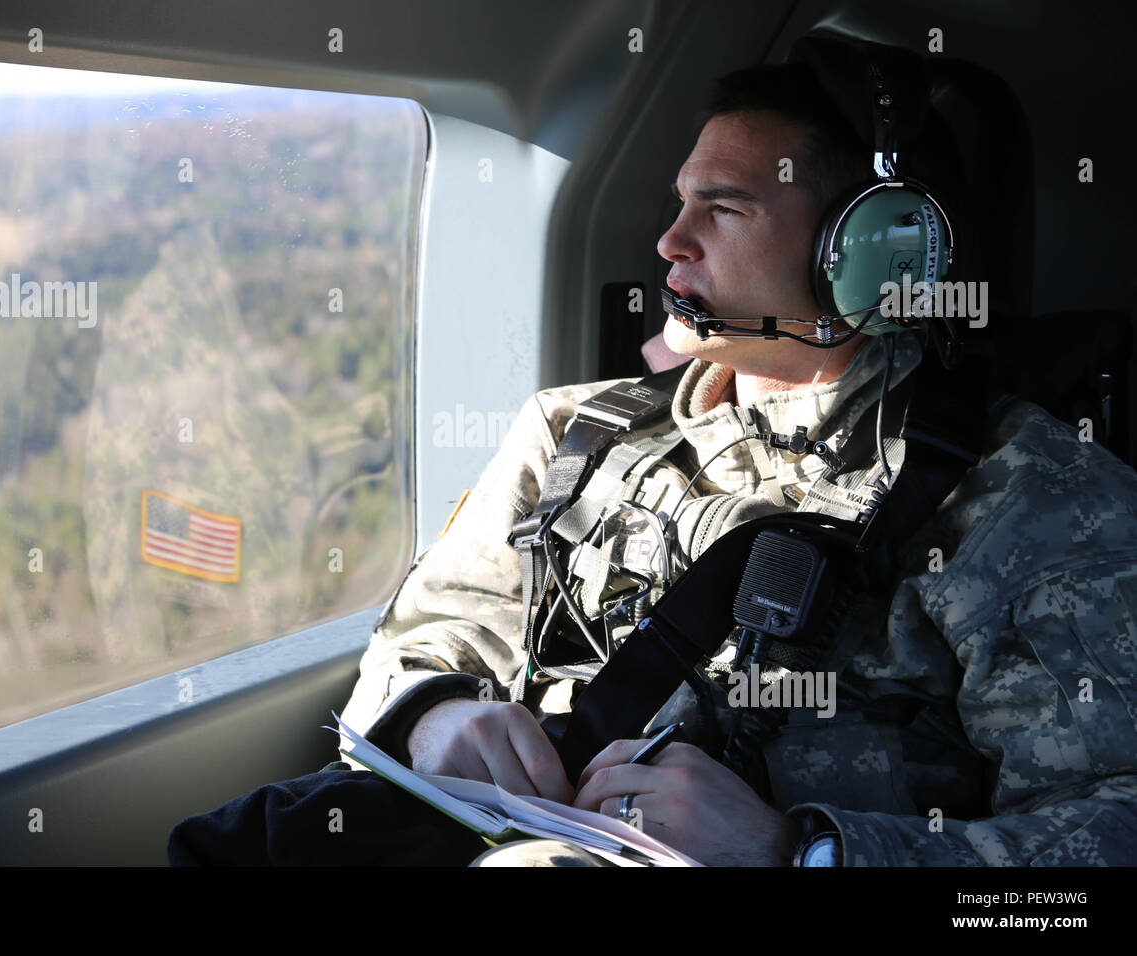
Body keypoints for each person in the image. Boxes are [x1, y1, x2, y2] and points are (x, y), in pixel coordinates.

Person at [168, 57, 1137, 867]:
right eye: (681, 203)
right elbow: (428, 634)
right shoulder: (572, 433)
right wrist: (432, 714)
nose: (669, 242)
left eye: (723, 209)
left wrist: (795, 850)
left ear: (868, 254)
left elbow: (1109, 824)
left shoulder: (1029, 497)